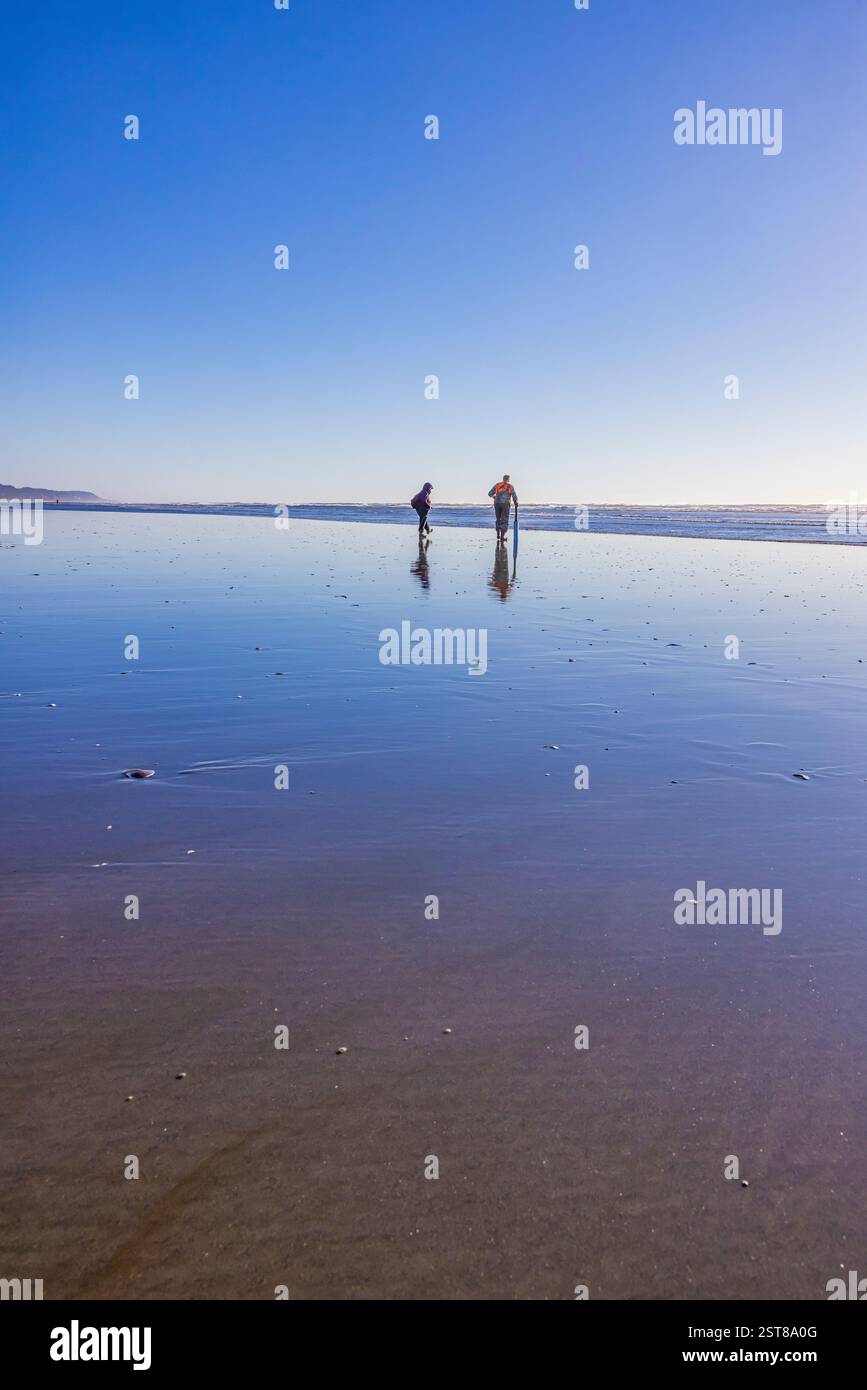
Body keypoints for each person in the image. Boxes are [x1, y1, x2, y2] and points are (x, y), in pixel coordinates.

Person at [488, 474, 517, 542]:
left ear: (503, 479)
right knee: (504, 520)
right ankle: (502, 536)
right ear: (508, 479)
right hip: (505, 504)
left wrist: (494, 497)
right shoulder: (510, 486)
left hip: (497, 503)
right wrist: (516, 502)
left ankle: (498, 534)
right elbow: (514, 495)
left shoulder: (497, 485)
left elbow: (489, 493)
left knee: (498, 519)